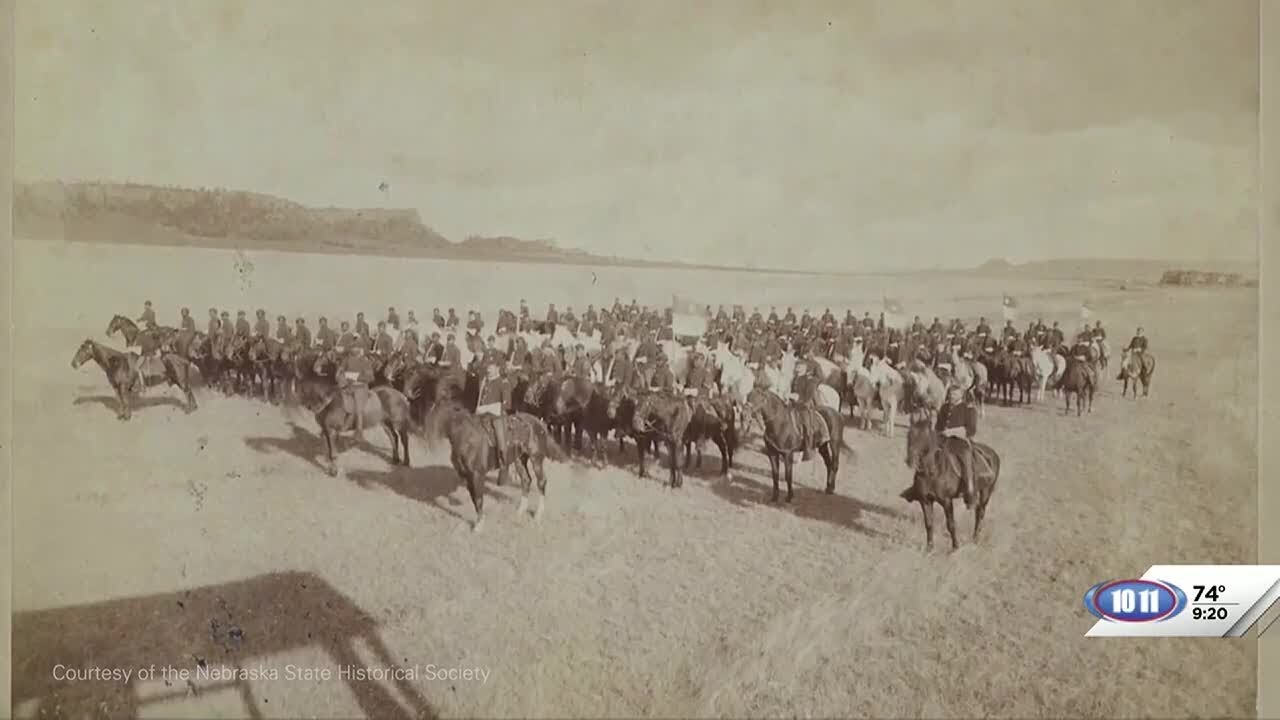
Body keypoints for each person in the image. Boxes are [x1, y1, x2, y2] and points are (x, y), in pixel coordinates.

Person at [934, 361, 977, 509]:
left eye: (956, 393)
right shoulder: (945, 407)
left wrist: (952, 432)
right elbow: (938, 425)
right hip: (943, 441)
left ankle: (970, 493)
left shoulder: (968, 408)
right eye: (951, 393)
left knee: (966, 464)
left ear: (961, 394)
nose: (952, 395)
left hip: (960, 443)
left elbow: (971, 430)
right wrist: (937, 434)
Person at [338, 344, 375, 441]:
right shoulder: (347, 359)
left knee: (358, 408)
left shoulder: (365, 361)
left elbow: (370, 378)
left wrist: (355, 376)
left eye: (356, 348)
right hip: (347, 386)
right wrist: (340, 374)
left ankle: (359, 432)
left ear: (360, 349)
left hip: (360, 387)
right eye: (352, 347)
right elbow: (340, 370)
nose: (354, 349)